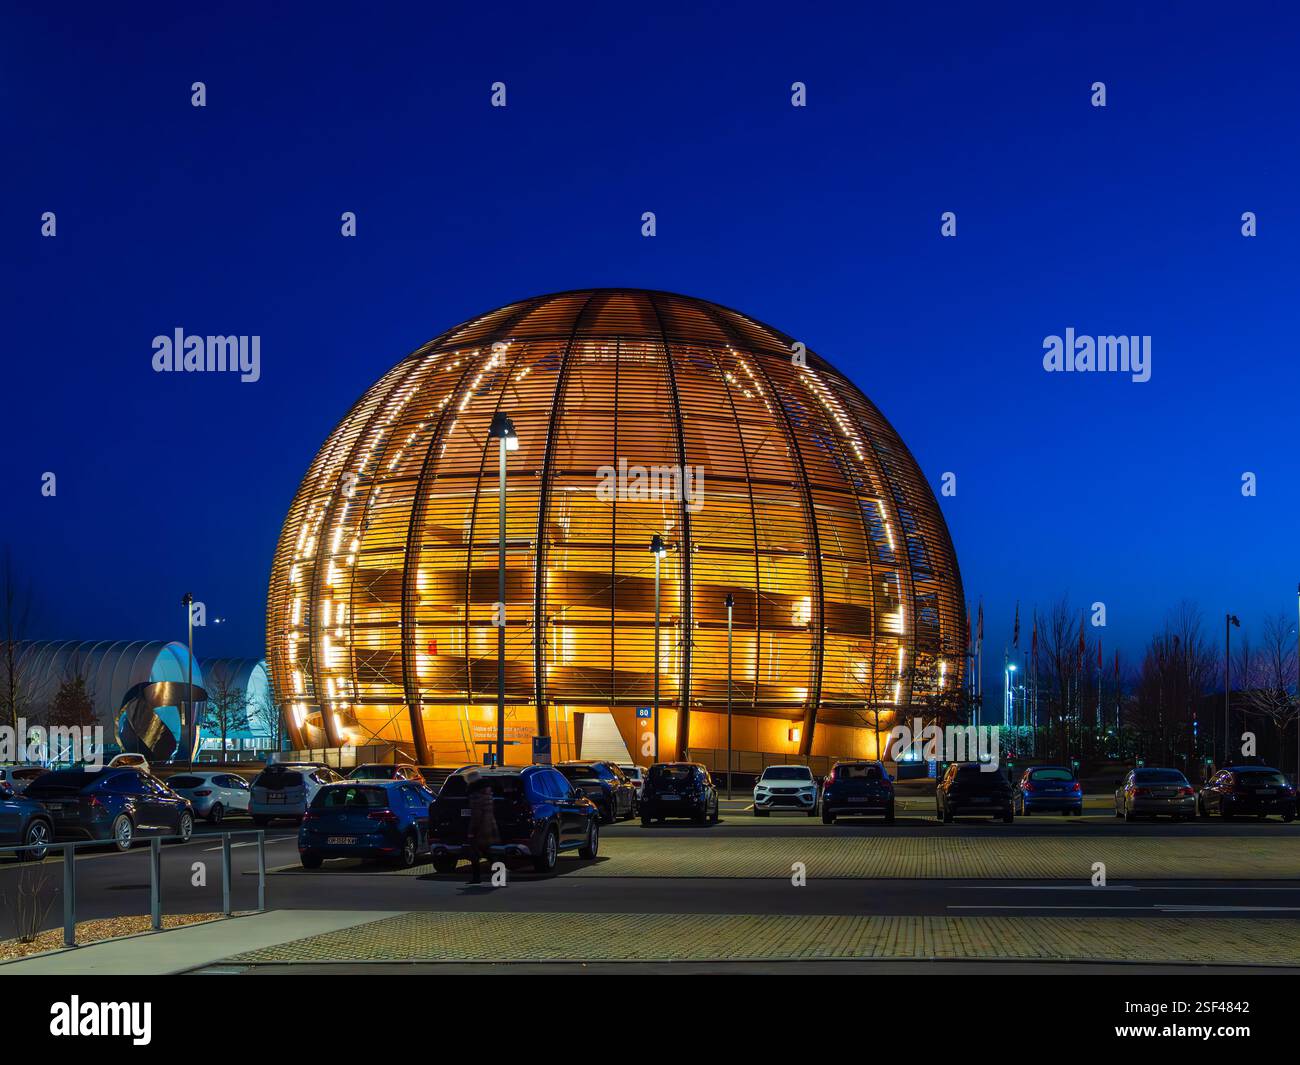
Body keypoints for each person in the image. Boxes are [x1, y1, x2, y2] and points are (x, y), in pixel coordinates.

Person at [466, 772, 500, 884]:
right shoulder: (487, 792)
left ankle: (477, 878)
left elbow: (476, 814)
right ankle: (499, 875)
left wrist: (471, 831)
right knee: (487, 852)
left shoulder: (476, 794)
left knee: (475, 853)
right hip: (488, 826)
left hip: (479, 829)